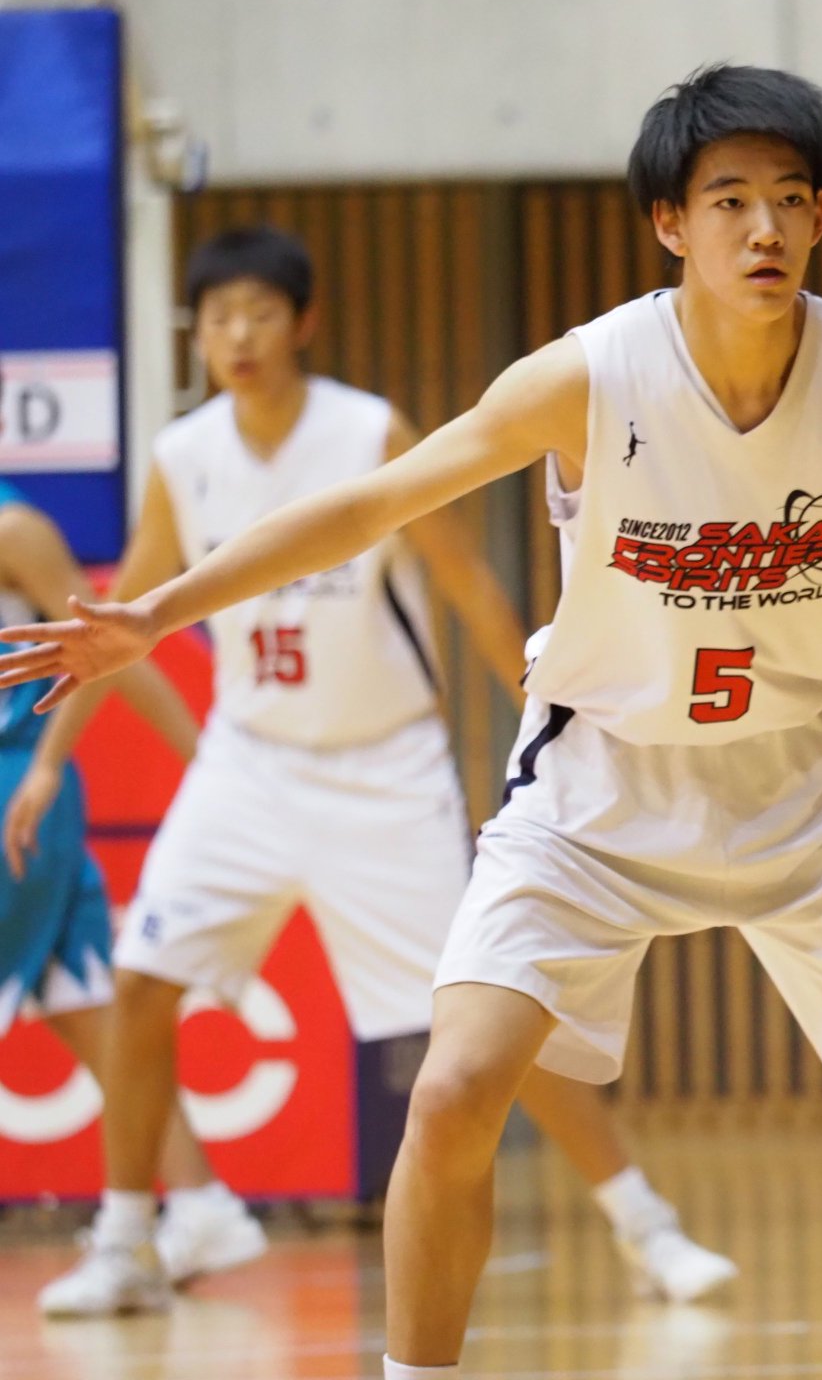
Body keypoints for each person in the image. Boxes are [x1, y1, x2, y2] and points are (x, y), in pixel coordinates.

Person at [0, 66, 822, 1380]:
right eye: (729, 200)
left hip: (808, 789)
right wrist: (154, 613)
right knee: (453, 1092)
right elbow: (374, 505)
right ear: (670, 224)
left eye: (791, 199)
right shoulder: (590, 377)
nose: (764, 228)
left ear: (821, 218)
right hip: (597, 790)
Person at [23, 226, 733, 1319]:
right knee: (141, 983)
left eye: (260, 313)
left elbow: (468, 584)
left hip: (384, 770)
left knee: (487, 1012)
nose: (238, 335)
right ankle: (135, 1239)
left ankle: (646, 1224)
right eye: (218, 318)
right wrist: (46, 763)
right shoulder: (184, 455)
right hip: (249, 763)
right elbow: (121, 626)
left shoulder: (367, 433)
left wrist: (559, 716)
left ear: (302, 322)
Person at [0, 457, 256, 1287]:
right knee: (89, 1011)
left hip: (15, 794)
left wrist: (211, 766)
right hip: (32, 805)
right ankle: (201, 1205)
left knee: (99, 1007)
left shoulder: (15, 531)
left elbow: (116, 655)